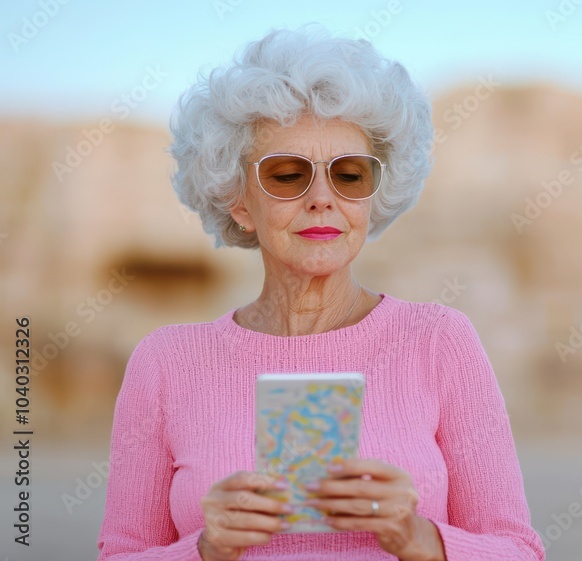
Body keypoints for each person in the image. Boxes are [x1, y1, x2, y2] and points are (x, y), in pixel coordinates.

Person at [96, 25, 545, 561]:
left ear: (373, 196)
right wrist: (206, 548)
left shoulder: (440, 341)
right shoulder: (166, 362)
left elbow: (519, 549)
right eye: (287, 175)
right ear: (238, 200)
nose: (322, 199)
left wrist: (421, 539)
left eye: (350, 175)